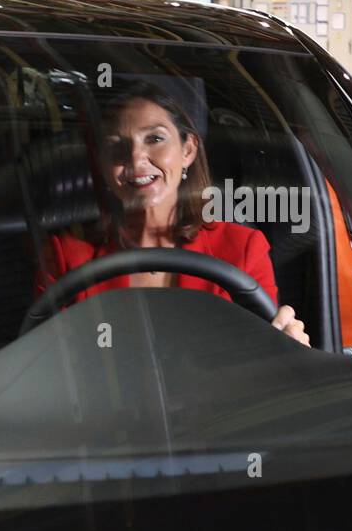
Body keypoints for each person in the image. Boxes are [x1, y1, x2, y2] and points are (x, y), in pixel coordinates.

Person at [35, 83, 310, 346]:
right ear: (102, 163)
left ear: (188, 150)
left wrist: (289, 346)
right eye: (116, 145)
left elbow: (264, 362)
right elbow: (46, 366)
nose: (135, 159)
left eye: (154, 139)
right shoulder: (65, 256)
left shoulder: (242, 249)